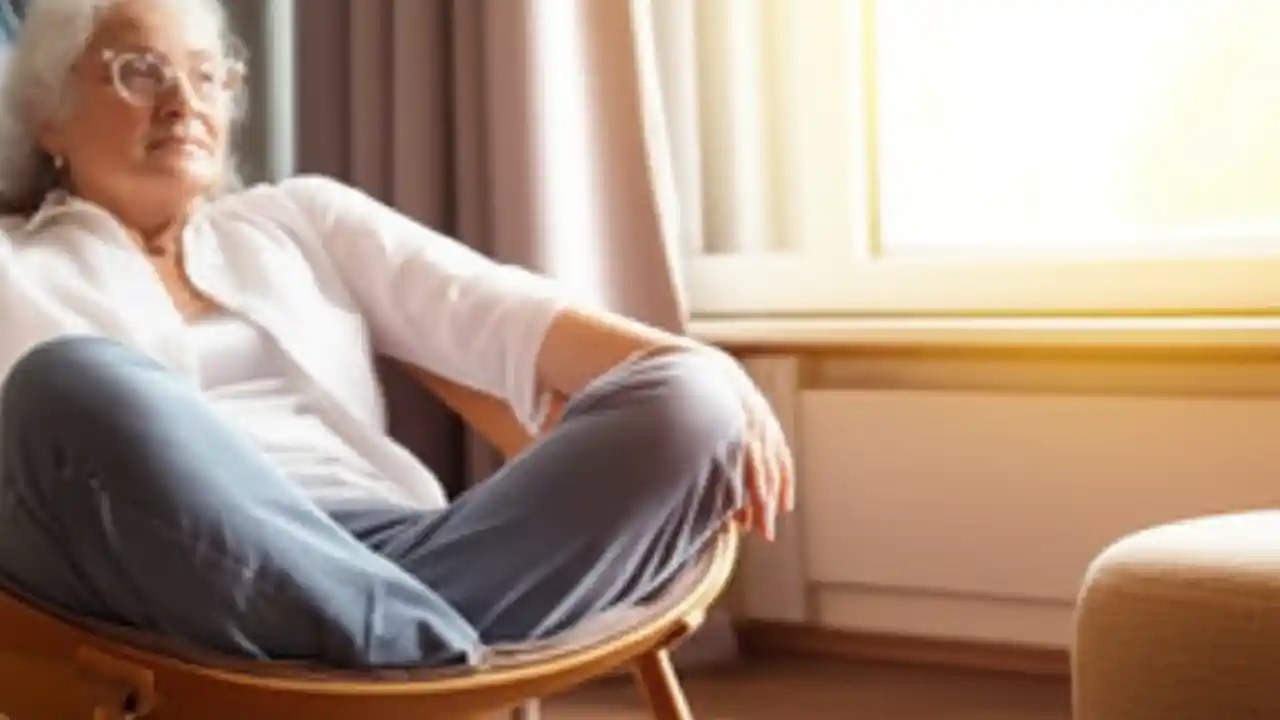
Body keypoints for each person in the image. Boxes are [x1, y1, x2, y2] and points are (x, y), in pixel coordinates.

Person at [0, 0, 794, 669]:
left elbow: (512, 317)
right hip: (148, 571)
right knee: (70, 384)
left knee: (689, 397)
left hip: (399, 547)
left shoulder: (301, 218)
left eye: (206, 74)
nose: (183, 99)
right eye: (139, 70)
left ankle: (397, 647)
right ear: (48, 117)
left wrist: (708, 374)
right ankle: (428, 658)